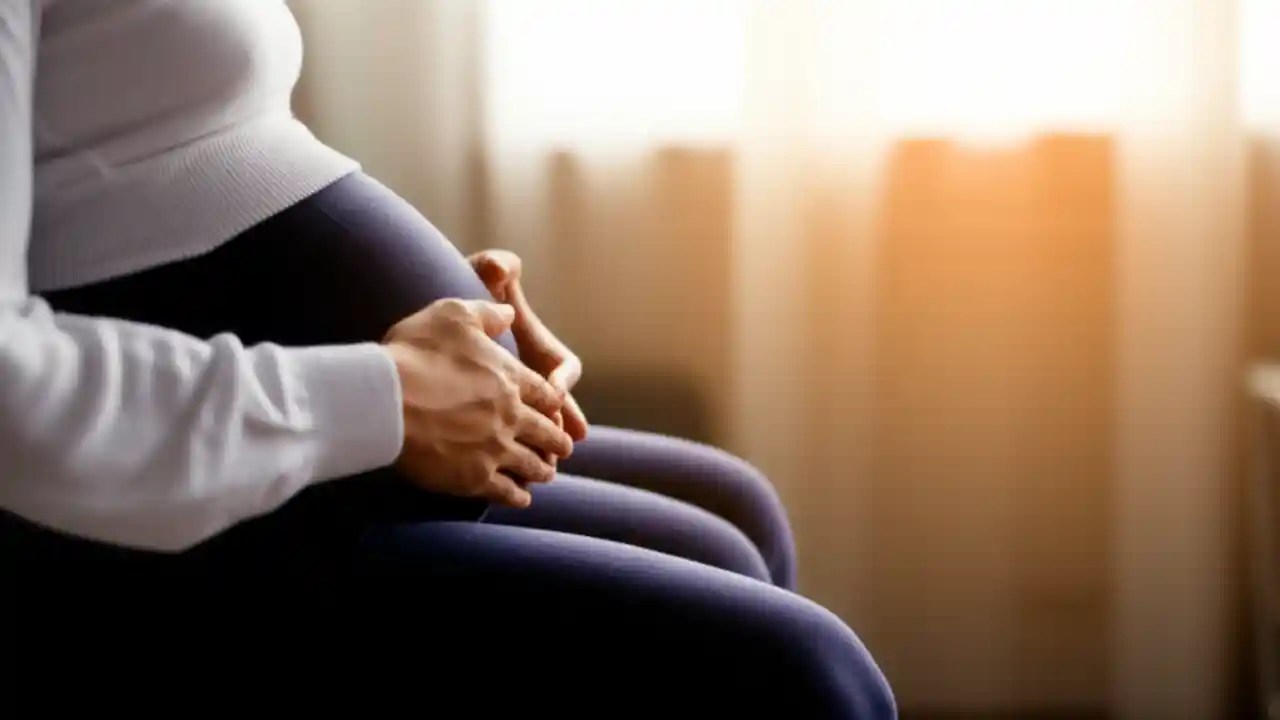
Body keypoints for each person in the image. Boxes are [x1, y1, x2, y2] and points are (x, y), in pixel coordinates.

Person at [0, 1, 895, 715]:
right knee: (808, 674)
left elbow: (135, 168)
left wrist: (447, 324)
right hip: (154, 517)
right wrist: (387, 389)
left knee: (734, 508)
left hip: (297, 432)